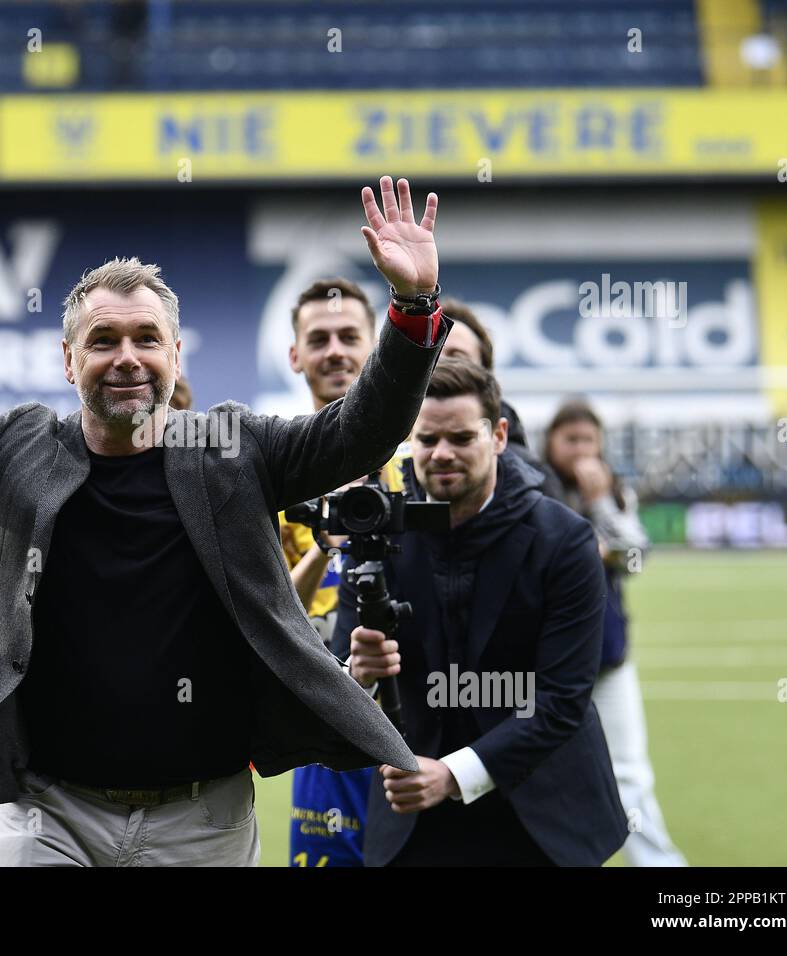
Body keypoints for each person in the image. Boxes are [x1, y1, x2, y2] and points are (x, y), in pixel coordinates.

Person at [0, 161, 449, 866]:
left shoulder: (234, 448)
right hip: (48, 811)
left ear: (176, 352)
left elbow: (360, 432)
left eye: (146, 338)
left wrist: (414, 307)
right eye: (103, 341)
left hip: (203, 818)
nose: (127, 359)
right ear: (66, 360)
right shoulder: (13, 448)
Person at [342, 357, 628, 866]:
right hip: (414, 821)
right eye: (428, 440)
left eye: (461, 438)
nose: (442, 454)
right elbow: (337, 679)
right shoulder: (378, 533)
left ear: (498, 435)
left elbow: (562, 699)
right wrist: (355, 672)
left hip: (545, 821)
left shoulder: (565, 540)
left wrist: (453, 774)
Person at [279, 277, 408, 867]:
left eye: (349, 335)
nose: (334, 350)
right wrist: (326, 547)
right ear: (295, 354)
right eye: (319, 337)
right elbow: (271, 610)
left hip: (415, 712)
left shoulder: (421, 463)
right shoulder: (275, 473)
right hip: (324, 715)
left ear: (374, 345)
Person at [544, 399, 687, 867]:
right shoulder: (537, 488)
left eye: (589, 441)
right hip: (544, 662)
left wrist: (601, 502)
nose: (580, 451)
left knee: (628, 777)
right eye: (571, 441)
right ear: (551, 443)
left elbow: (635, 557)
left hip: (606, 656)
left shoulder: (616, 493)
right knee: (541, 775)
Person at [430, 300, 564, 500]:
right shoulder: (381, 457)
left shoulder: (529, 478)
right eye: (431, 353)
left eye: (457, 356)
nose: (441, 365)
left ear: (486, 373)